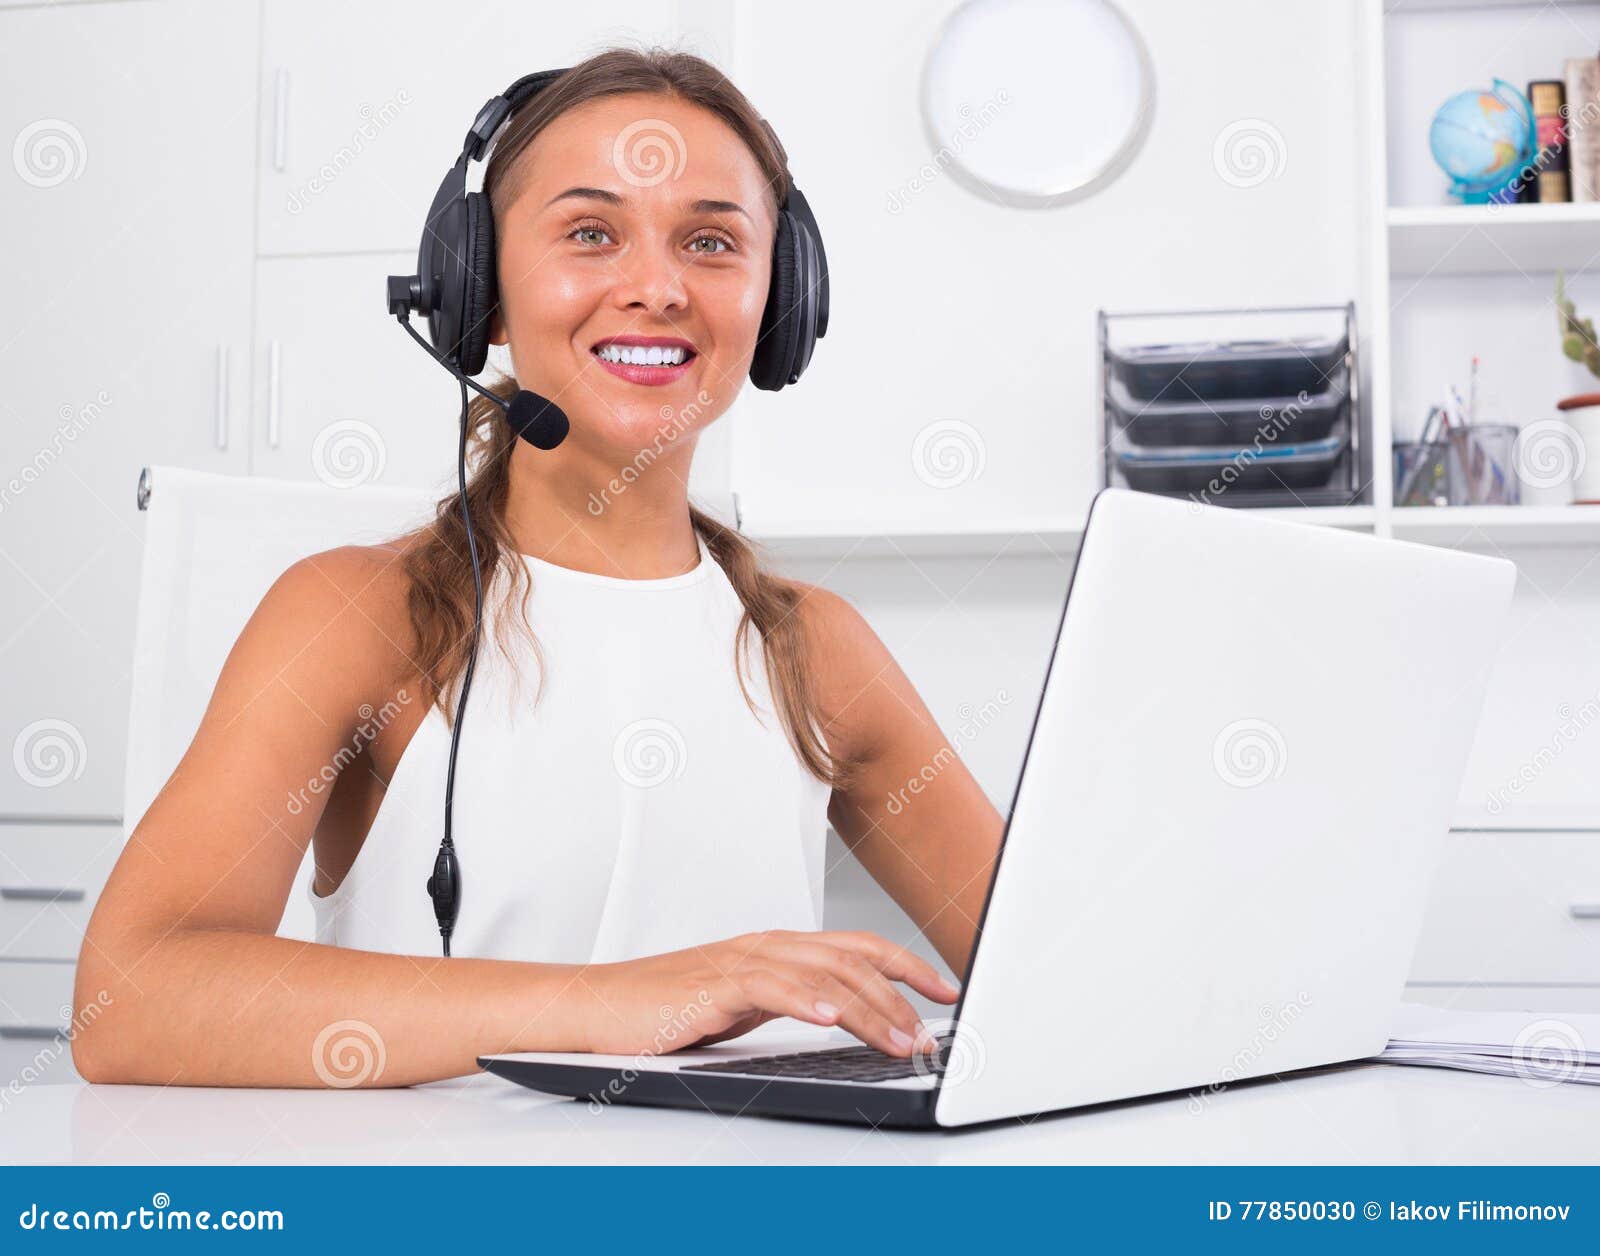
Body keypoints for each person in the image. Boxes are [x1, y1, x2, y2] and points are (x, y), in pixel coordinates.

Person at [74, 48, 1003, 1088]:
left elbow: (1054, 972)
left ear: (780, 305)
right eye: (590, 233)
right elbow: (135, 998)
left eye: (710, 242)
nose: (656, 288)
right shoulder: (352, 613)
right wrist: (628, 1002)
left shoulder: (813, 646)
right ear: (480, 293)